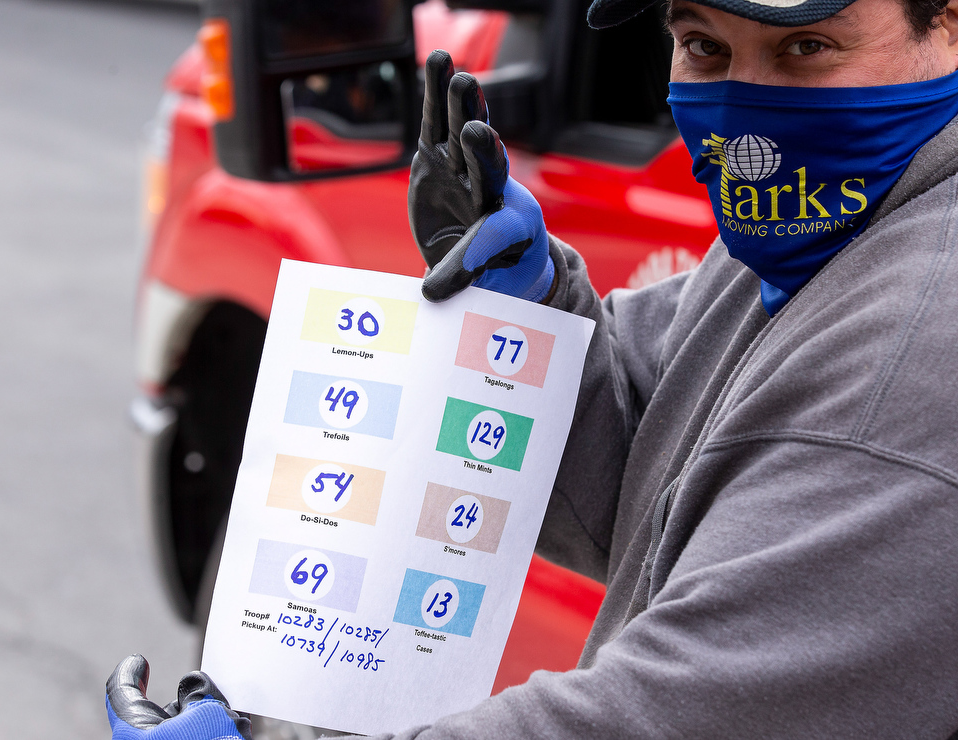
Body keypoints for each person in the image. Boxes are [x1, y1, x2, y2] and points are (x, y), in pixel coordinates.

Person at [106, 0, 958, 734]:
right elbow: (654, 482)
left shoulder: (915, 350)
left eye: (807, 48)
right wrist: (529, 314)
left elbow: (669, 714)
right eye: (703, 45)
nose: (744, 109)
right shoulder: (818, 233)